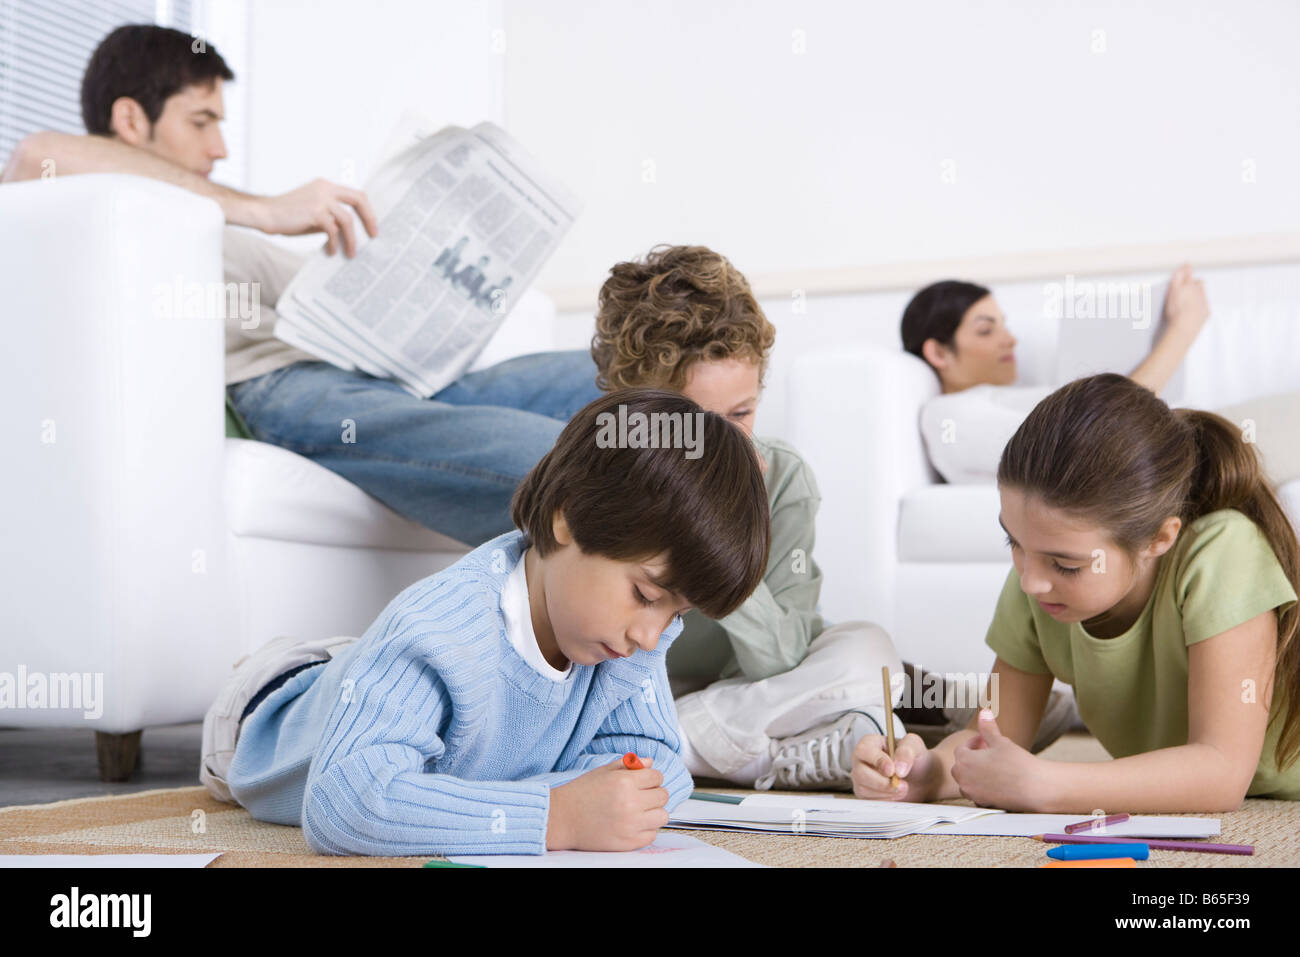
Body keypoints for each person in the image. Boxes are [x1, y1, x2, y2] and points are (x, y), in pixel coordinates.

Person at [2, 24, 601, 546]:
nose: (220, 147)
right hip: (290, 389)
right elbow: (34, 155)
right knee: (578, 463)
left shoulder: (209, 220)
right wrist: (263, 208)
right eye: (201, 120)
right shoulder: (100, 201)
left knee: (623, 377)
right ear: (130, 118)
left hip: (381, 374)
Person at [589, 245, 1077, 791]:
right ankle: (839, 738)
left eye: (742, 414)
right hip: (664, 696)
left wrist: (718, 540)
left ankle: (681, 746)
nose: (727, 446)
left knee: (866, 648)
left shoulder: (783, 479)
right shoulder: (592, 484)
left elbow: (779, 660)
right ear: (633, 412)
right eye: (697, 425)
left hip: (767, 688)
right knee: (866, 688)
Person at [200, 389, 771, 855]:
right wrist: (558, 815)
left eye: (678, 614)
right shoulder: (438, 634)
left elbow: (662, 767)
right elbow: (344, 804)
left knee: (393, 700)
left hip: (384, 689)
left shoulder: (631, 636)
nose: (652, 635)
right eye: (646, 594)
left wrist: (605, 794)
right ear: (567, 519)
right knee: (352, 680)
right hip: (264, 712)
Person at [853, 374, 1300, 810]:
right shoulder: (1039, 575)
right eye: (1015, 544)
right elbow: (991, 736)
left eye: (1066, 564)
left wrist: (1046, 784)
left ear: (1158, 540)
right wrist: (926, 773)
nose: (1031, 581)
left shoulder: (1222, 551)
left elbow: (1222, 773)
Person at [901, 266, 1300, 490]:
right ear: (938, 352)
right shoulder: (948, 415)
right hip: (1190, 453)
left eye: (1005, 325)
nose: (1011, 339)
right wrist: (1184, 327)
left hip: (1189, 441)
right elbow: (1095, 432)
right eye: (986, 330)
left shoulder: (1009, 398)